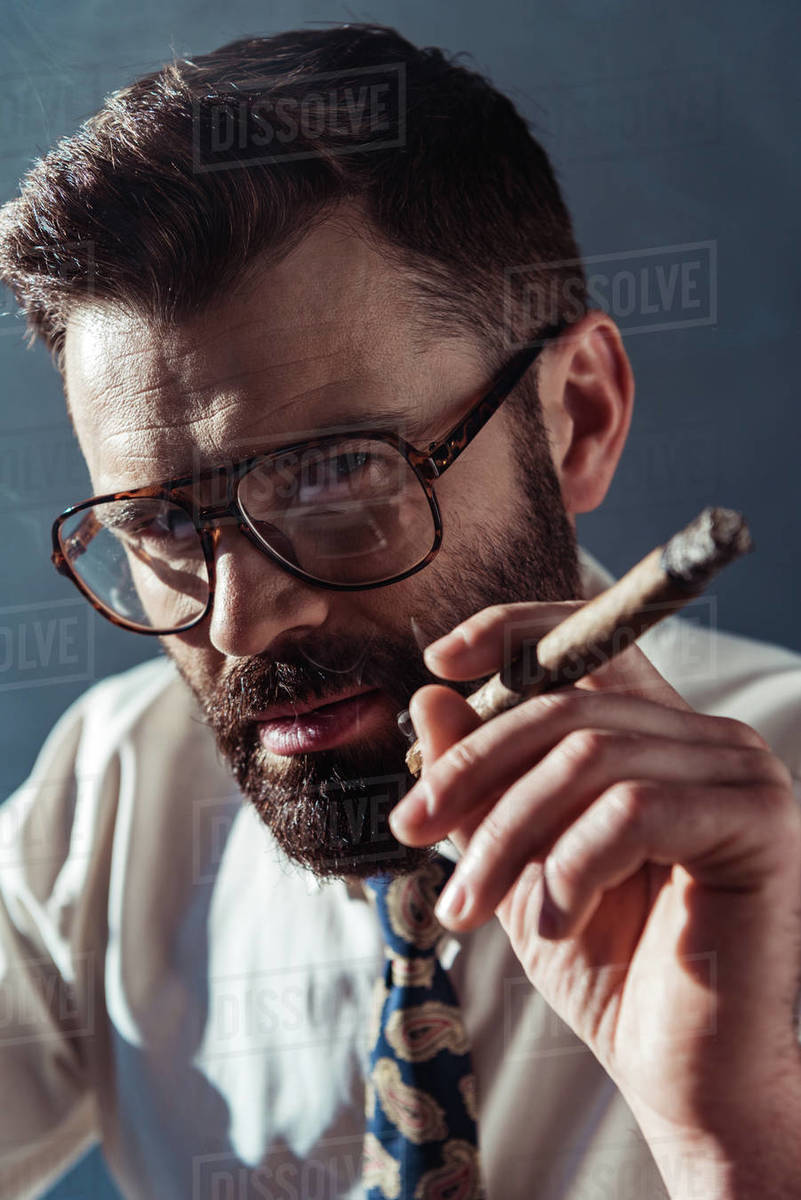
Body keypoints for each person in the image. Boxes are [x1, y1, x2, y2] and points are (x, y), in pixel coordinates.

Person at [1, 22, 800, 1200]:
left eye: (332, 474)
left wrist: (736, 1148)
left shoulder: (777, 844)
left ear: (577, 418)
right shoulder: (116, 791)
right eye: (159, 522)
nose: (239, 626)